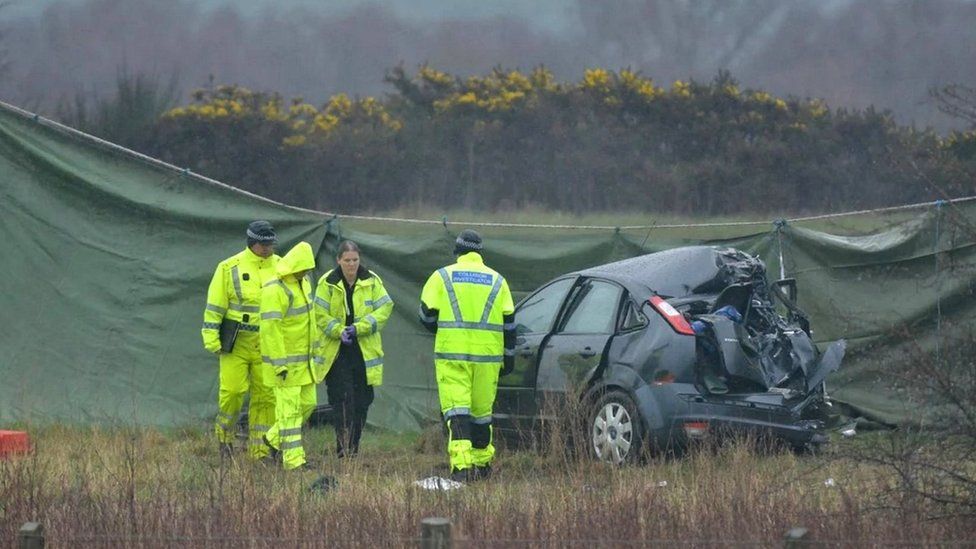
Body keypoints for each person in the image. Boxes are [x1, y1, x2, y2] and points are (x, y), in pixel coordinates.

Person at [419, 229, 516, 482]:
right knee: (482, 414)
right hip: (488, 358)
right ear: (480, 253)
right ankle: (482, 466)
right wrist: (508, 357)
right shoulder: (498, 281)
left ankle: (462, 469)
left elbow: (426, 316)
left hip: (453, 355)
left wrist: (445, 328)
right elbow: (510, 325)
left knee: (457, 412)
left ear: (458, 252)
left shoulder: (442, 277)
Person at [201, 220, 279, 460]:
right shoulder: (228, 267)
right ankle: (224, 438)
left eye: (270, 244)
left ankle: (260, 450)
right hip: (236, 342)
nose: (267, 249)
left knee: (266, 396)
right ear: (251, 242)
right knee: (233, 392)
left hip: (267, 341)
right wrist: (212, 338)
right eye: (262, 244)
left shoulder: (282, 267)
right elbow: (215, 307)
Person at [314, 240, 394, 458]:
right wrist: (338, 330)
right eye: (347, 260)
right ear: (338, 260)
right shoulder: (327, 282)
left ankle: (354, 449)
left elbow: (386, 307)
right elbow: (319, 314)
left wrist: (360, 328)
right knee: (342, 400)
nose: (351, 265)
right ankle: (342, 450)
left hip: (363, 351)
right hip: (337, 352)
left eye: (355, 260)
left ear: (360, 260)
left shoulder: (372, 281)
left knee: (362, 401)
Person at [259, 241, 323, 470]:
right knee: (290, 413)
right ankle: (294, 462)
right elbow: (270, 329)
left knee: (308, 404)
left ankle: (272, 440)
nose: (306, 272)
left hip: (304, 365)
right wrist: (279, 364)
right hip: (284, 366)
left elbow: (309, 322)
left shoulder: (303, 283)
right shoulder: (274, 289)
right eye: (303, 268)